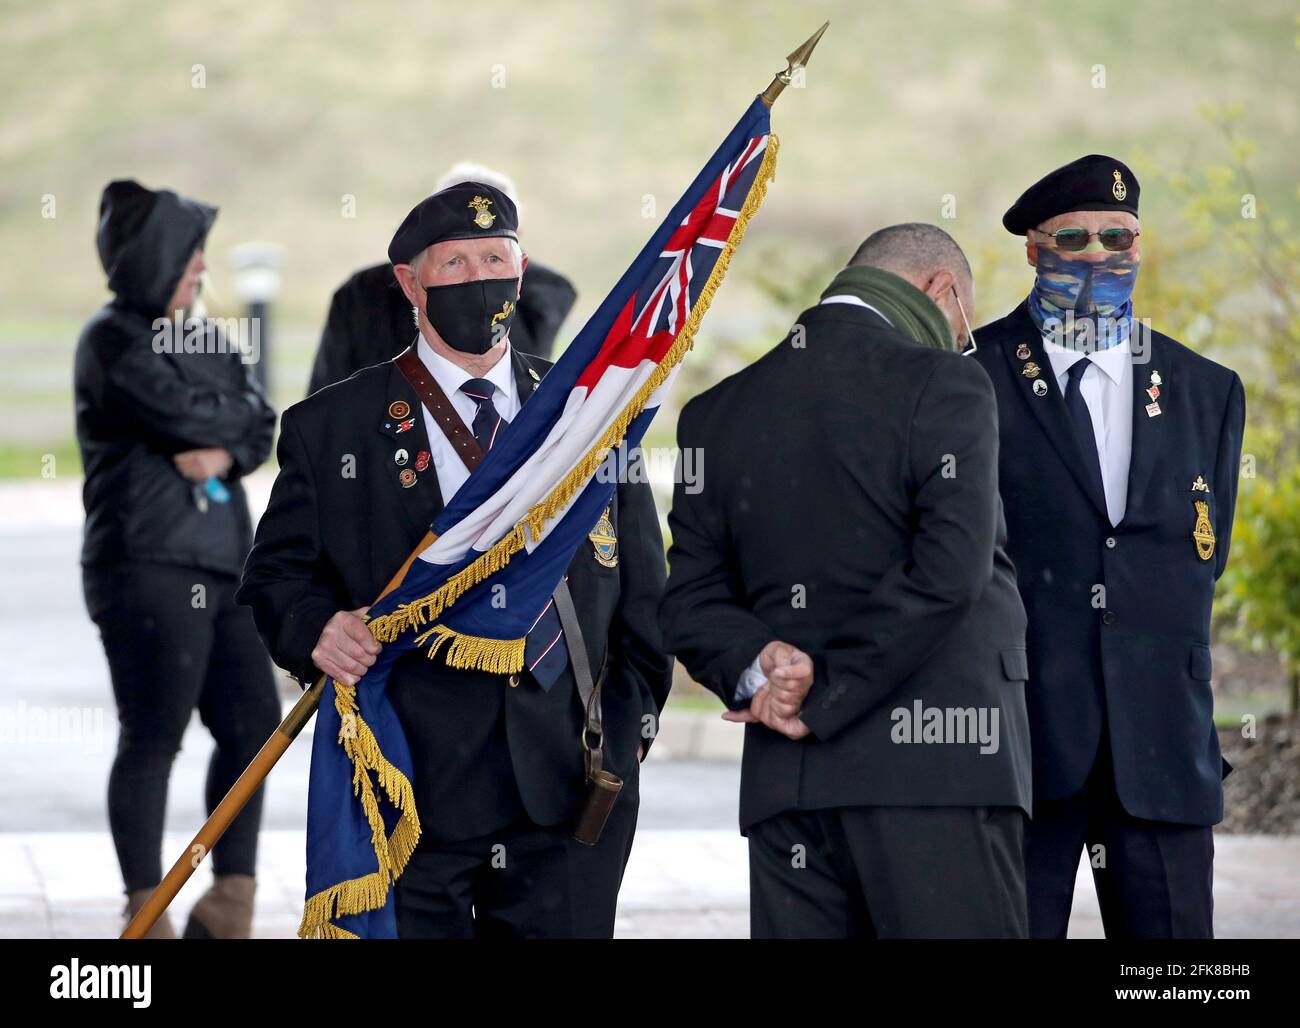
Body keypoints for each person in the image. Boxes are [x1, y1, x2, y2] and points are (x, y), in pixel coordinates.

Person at [237, 181, 672, 938]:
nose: (481, 281)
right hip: (413, 782)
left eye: (495, 260)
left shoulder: (587, 413)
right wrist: (316, 627)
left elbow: (643, 588)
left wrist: (630, 727)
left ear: (523, 268)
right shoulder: (332, 427)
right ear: (410, 282)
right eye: (456, 264)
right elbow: (275, 576)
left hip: (568, 779)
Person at [659, 223, 1032, 939]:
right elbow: (951, 574)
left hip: (788, 790)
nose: (962, 340)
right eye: (965, 324)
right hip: (937, 777)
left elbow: (691, 598)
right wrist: (821, 692)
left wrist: (759, 670)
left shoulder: (718, 411)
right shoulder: (948, 381)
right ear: (940, 290)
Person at [970, 155, 1246, 938]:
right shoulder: (970, 379)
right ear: (1032, 247)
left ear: (1139, 244)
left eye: (1118, 237)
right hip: (1022, 744)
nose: (1098, 255)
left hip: (1161, 743)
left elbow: (1202, 551)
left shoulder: (1205, 387)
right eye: (1075, 237)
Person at [74, 179, 280, 939]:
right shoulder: (112, 338)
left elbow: (260, 423)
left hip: (226, 564)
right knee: (154, 734)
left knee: (254, 725)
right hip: (146, 563)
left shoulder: (201, 337)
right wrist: (221, 426)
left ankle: (230, 899)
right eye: (191, 258)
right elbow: (173, 409)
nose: (201, 272)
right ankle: (144, 906)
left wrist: (222, 446)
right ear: (159, 261)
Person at [305, 163, 577, 396]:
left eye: (493, 255)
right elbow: (327, 394)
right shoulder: (363, 294)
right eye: (454, 257)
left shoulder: (542, 297)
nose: (476, 276)